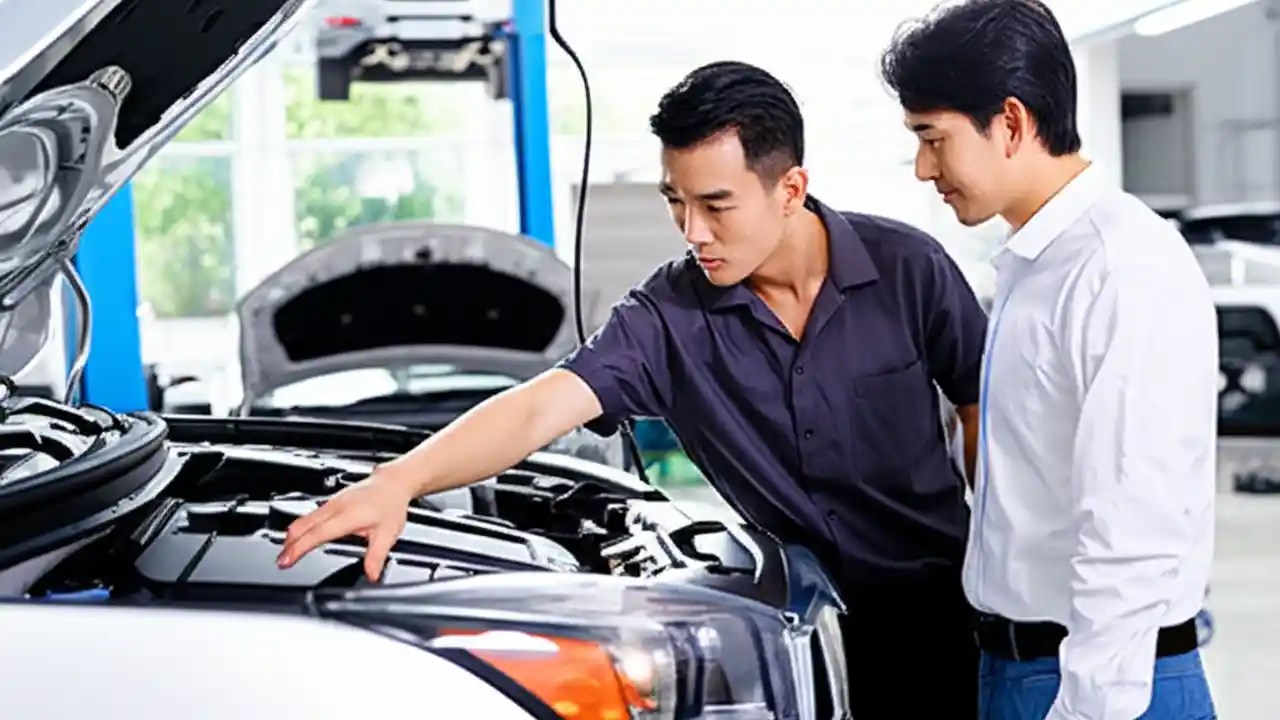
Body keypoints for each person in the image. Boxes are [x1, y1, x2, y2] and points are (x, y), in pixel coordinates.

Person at [276, 60, 989, 717]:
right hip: (795, 637)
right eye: (675, 202)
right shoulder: (668, 317)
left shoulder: (908, 269)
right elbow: (541, 406)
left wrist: (1002, 554)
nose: (692, 232)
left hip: (951, 618)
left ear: (790, 190)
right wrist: (400, 480)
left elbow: (981, 402)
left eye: (716, 205)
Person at [879, 2, 1218, 718]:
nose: (922, 168)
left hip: (1098, 685)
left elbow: (1133, 527)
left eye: (933, 138)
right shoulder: (1038, 262)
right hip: (1024, 670)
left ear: (1010, 122)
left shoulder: (1120, 267)